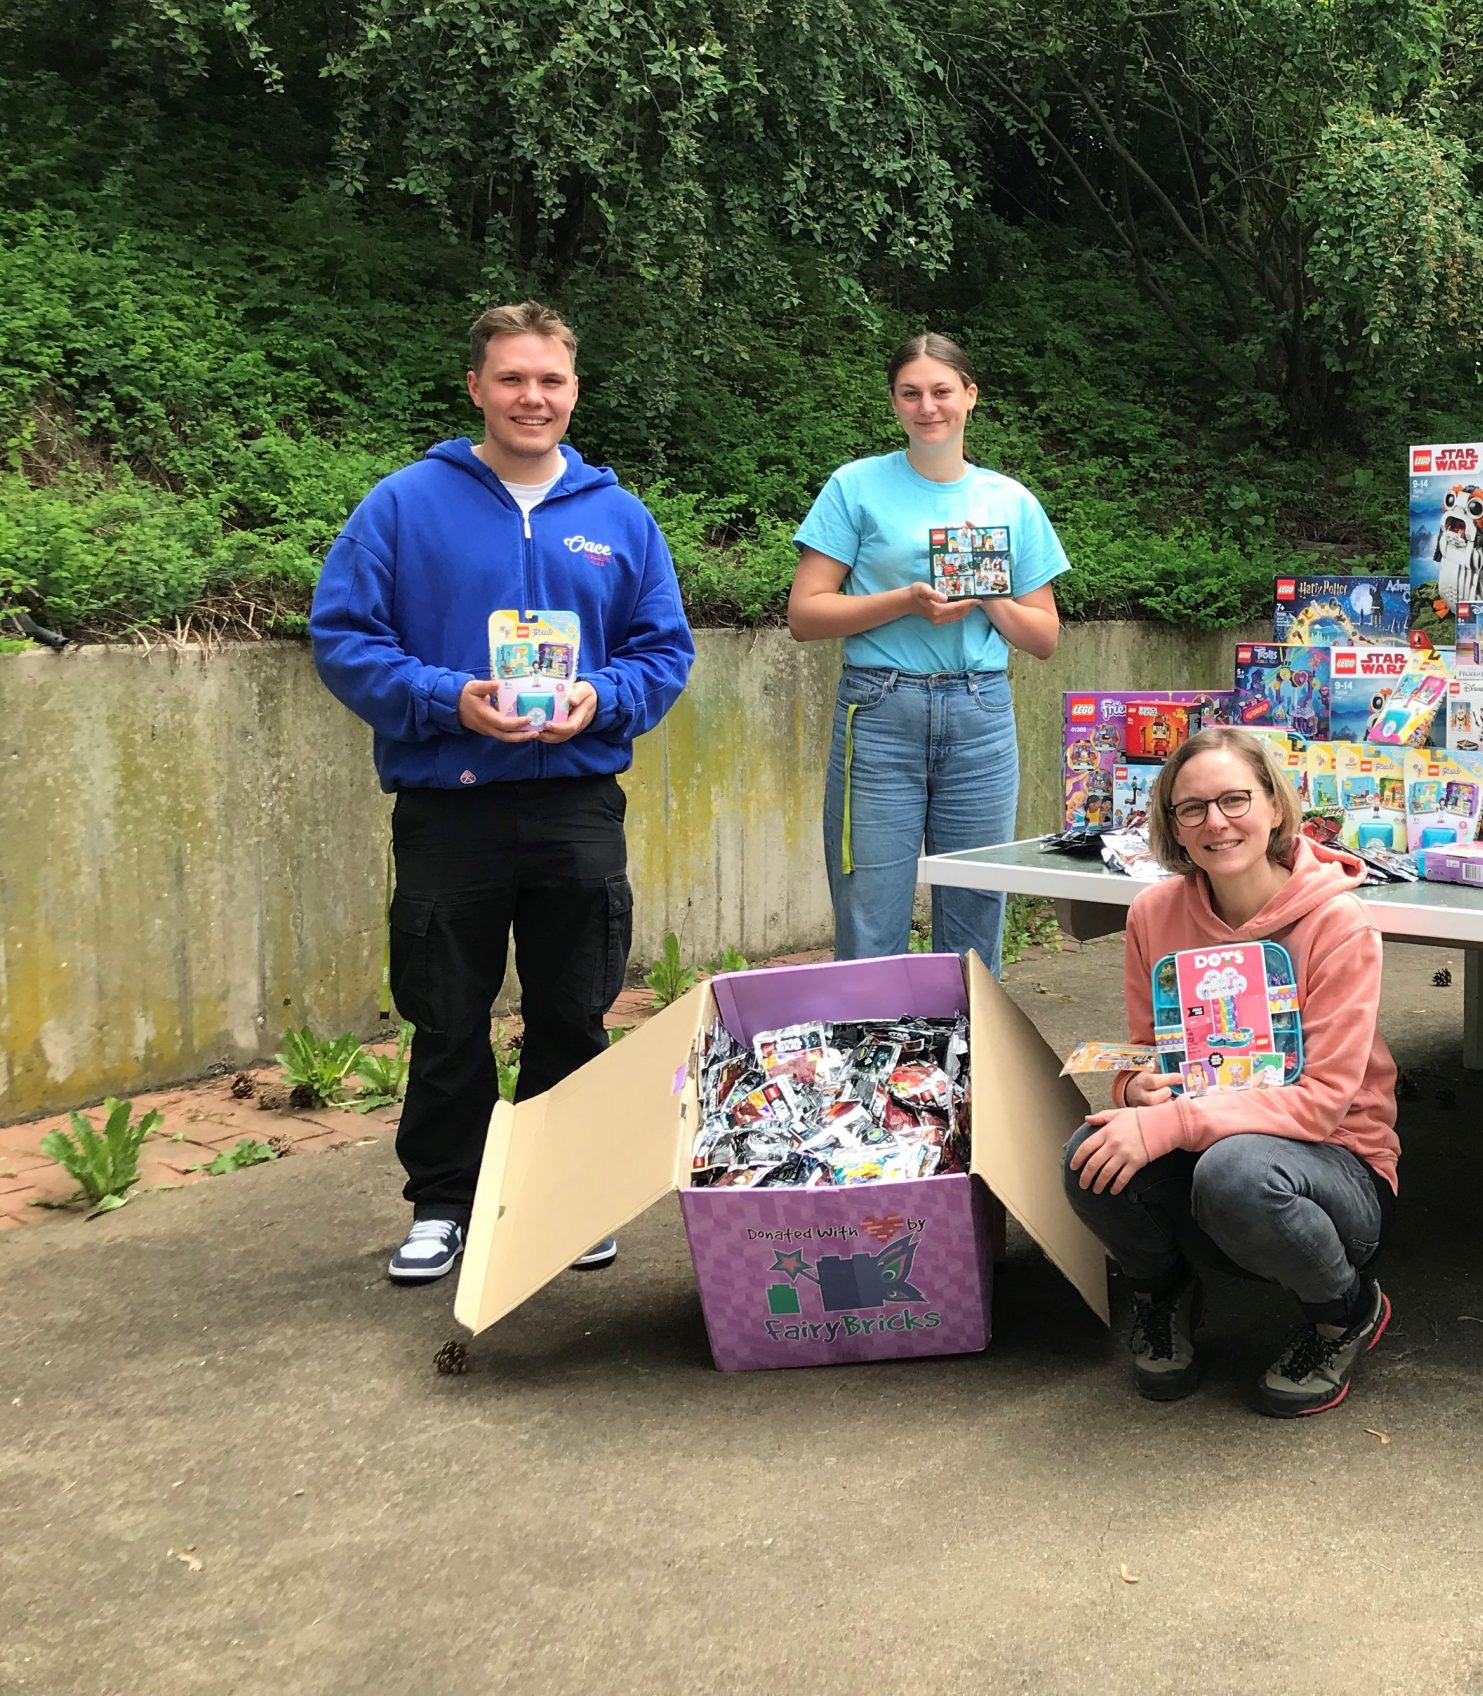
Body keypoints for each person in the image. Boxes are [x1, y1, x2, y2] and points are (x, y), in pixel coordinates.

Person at [311, 302, 696, 1284]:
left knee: (574, 1009)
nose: (533, 396)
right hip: (449, 802)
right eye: (513, 378)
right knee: (446, 1014)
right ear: (476, 387)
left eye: (551, 380)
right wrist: (448, 700)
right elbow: (344, 639)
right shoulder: (404, 506)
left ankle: (564, 1199)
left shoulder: (619, 518)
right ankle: (446, 1202)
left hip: (576, 800)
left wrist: (601, 698)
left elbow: (663, 651)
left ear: (574, 391)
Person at [1061, 728, 1400, 1417]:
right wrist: (1135, 1089)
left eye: (1235, 800)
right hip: (1210, 1142)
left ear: (1274, 805)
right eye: (1192, 808)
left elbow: (1323, 1103)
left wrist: (1169, 1125)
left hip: (1336, 1165)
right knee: (1088, 1158)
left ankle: (1344, 1310)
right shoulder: (1153, 913)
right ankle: (1164, 1292)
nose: (1216, 822)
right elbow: (1146, 1051)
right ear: (1173, 826)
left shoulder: (1339, 924)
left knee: (1236, 1173)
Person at [786, 334, 1066, 970]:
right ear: (894, 402)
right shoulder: (854, 486)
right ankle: (874, 1034)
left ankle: (969, 1037)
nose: (928, 406)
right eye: (910, 393)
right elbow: (805, 614)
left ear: (970, 396)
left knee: (975, 916)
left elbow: (1044, 638)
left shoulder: (1011, 500)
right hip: (878, 711)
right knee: (868, 915)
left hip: (980, 715)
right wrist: (906, 601)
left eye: (942, 391)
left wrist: (988, 593)